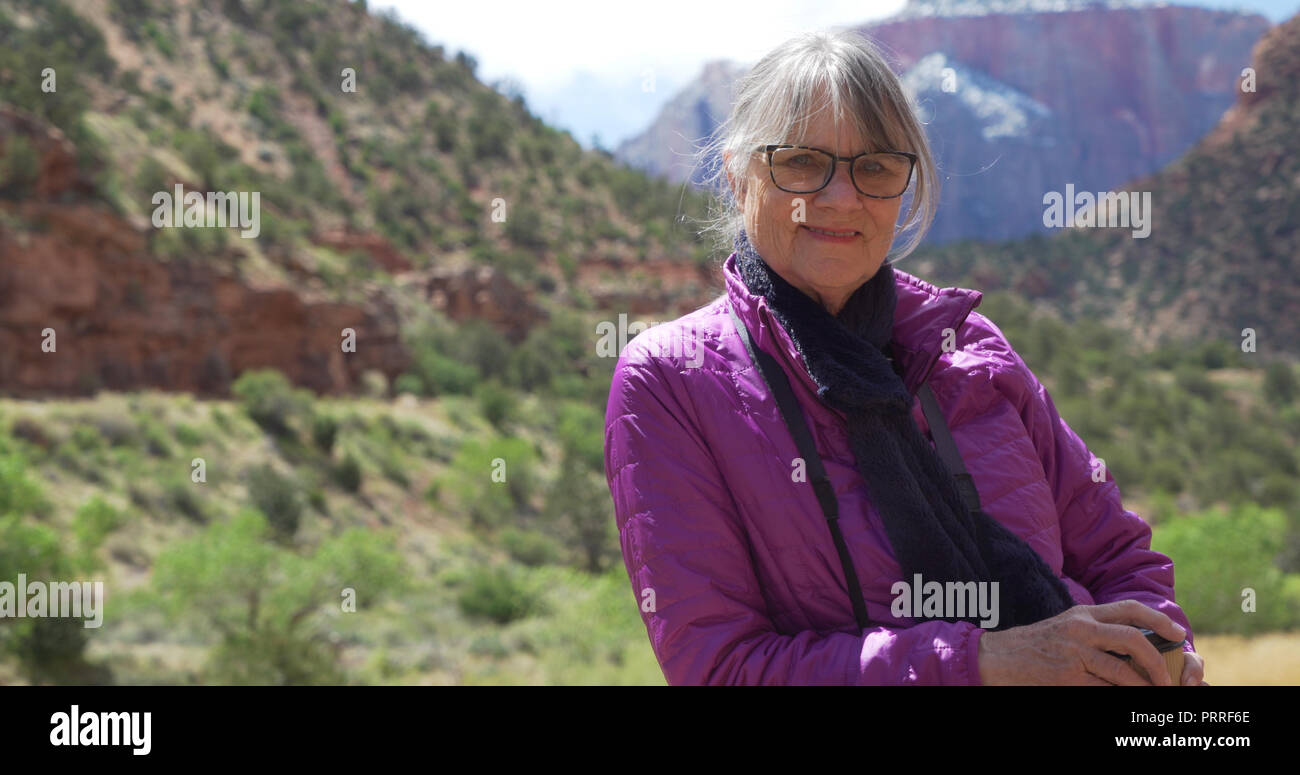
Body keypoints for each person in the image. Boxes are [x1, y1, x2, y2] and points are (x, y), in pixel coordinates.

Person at [602, 28, 1206, 685]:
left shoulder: (970, 345)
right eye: (801, 162)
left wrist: (1156, 651)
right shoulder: (671, 380)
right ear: (737, 173)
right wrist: (985, 662)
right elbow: (723, 669)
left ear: (905, 188)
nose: (840, 197)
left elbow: (1119, 553)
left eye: (876, 167)